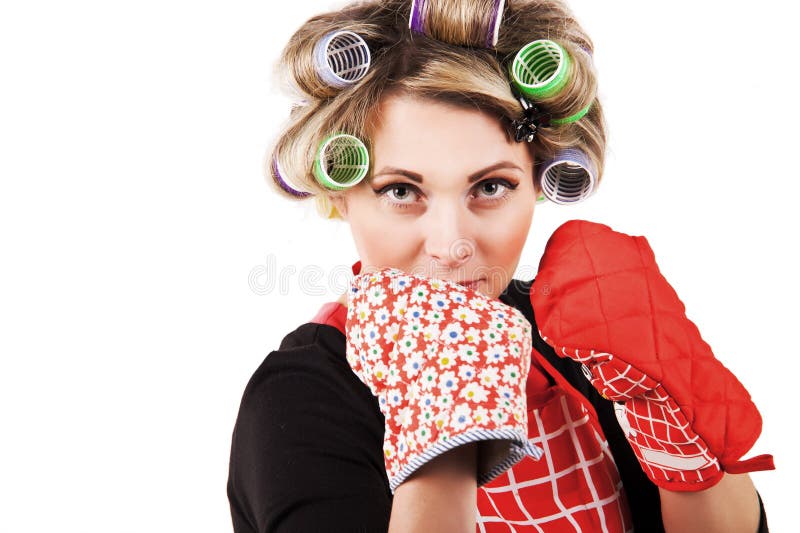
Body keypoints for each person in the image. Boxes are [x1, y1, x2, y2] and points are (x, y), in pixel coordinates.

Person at [227, 0, 774, 531]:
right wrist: (446, 430)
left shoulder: (585, 335)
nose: (451, 245)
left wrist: (670, 422)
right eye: (400, 190)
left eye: (491, 186)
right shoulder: (301, 398)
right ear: (341, 194)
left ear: (539, 180)